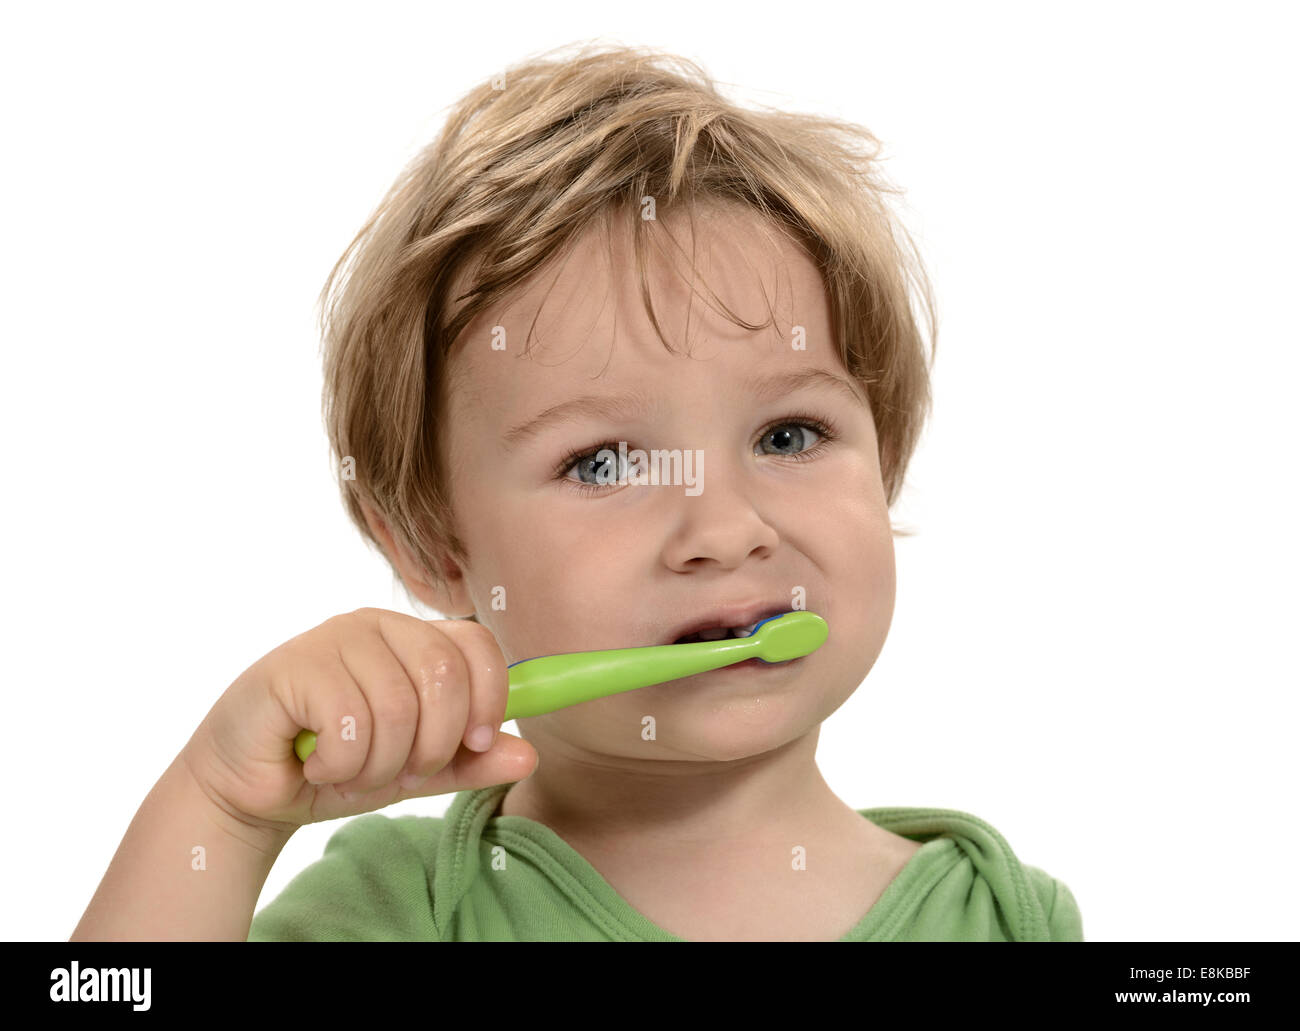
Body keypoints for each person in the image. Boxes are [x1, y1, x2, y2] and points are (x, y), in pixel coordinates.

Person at [71, 41, 1082, 942]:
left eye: (789, 434)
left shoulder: (1004, 915)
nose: (726, 529)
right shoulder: (400, 906)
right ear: (434, 544)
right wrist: (219, 810)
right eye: (603, 461)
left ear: (885, 457)